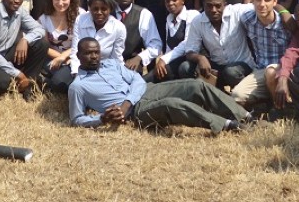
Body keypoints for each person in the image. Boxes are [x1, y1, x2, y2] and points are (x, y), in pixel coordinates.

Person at [67, 38, 251, 133]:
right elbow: (76, 119)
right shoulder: (78, 86)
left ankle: (246, 117)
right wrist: (102, 120)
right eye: (88, 53)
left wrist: (126, 102)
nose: (94, 56)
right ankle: (228, 125)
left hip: (147, 90)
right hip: (136, 112)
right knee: (172, 104)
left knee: (195, 85)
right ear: (78, 56)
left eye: (96, 52)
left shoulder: (111, 64)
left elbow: (138, 80)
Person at [154, 0, 256, 91]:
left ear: (225, 4)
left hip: (242, 68)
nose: (214, 10)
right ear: (203, 5)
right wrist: (200, 58)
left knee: (230, 72)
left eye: (218, 6)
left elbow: (258, 6)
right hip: (217, 68)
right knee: (185, 67)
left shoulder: (236, 12)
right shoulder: (197, 21)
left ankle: (246, 96)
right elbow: (189, 51)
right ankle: (207, 96)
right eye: (209, 6)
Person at [229, 0, 294, 109]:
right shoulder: (247, 19)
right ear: (253, 0)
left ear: (275, 2)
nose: (262, 4)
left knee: (271, 72)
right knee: (237, 95)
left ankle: (280, 109)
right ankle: (265, 102)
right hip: (261, 69)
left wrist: (284, 12)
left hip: (287, 71)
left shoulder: (287, 23)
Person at [38, 0, 85, 91]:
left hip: (75, 57)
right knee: (58, 79)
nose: (60, 3)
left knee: (61, 81)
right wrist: (60, 58)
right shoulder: (43, 19)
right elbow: (44, 46)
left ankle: (50, 82)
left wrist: (65, 57)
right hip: (52, 58)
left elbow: (82, 43)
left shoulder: (81, 15)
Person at [115, 0, 163, 74]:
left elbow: (155, 45)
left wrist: (139, 58)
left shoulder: (143, 14)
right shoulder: (106, 11)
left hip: (131, 63)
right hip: (109, 63)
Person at [73, 0, 129, 65]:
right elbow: (75, 50)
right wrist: (76, 72)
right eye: (95, 9)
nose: (99, 12)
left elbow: (116, 57)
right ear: (89, 8)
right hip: (81, 66)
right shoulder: (80, 19)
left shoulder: (119, 27)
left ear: (110, 9)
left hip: (104, 68)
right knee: (59, 77)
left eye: (104, 9)